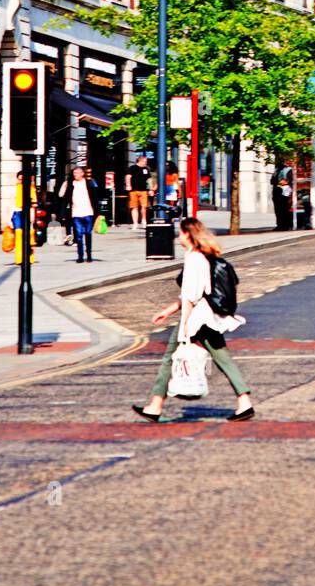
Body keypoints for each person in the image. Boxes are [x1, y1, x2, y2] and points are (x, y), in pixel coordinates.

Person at [132, 217, 253, 424]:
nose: (178, 237)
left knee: (170, 358)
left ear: (188, 235)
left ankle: (155, 406)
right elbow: (191, 294)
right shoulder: (202, 256)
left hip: (197, 318)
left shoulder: (194, 258)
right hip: (208, 317)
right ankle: (244, 402)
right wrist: (168, 311)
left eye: (180, 233)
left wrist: (185, 327)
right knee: (222, 358)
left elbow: (191, 296)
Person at [58, 166, 99, 263]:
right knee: (79, 235)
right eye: (74, 173)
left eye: (78, 173)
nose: (76, 175)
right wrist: (63, 213)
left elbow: (95, 197)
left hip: (88, 211)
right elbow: (66, 199)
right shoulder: (71, 184)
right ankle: (80, 256)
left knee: (88, 233)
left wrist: (98, 212)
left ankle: (89, 255)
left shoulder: (89, 183)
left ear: (82, 173)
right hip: (76, 213)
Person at [126, 154, 151, 227]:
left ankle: (143, 220)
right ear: (140, 160)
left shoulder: (146, 169)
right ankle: (135, 223)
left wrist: (150, 189)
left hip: (143, 190)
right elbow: (128, 176)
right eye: (144, 161)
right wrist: (128, 185)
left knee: (144, 206)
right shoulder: (132, 168)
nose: (146, 163)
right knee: (134, 207)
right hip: (133, 190)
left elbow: (149, 179)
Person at [271, 161, 294, 230]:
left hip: (285, 191)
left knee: (285, 208)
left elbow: (290, 180)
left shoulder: (289, 170)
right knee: (277, 209)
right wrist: (279, 182)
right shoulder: (276, 170)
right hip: (276, 191)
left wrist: (285, 182)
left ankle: (286, 225)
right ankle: (279, 225)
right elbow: (272, 181)